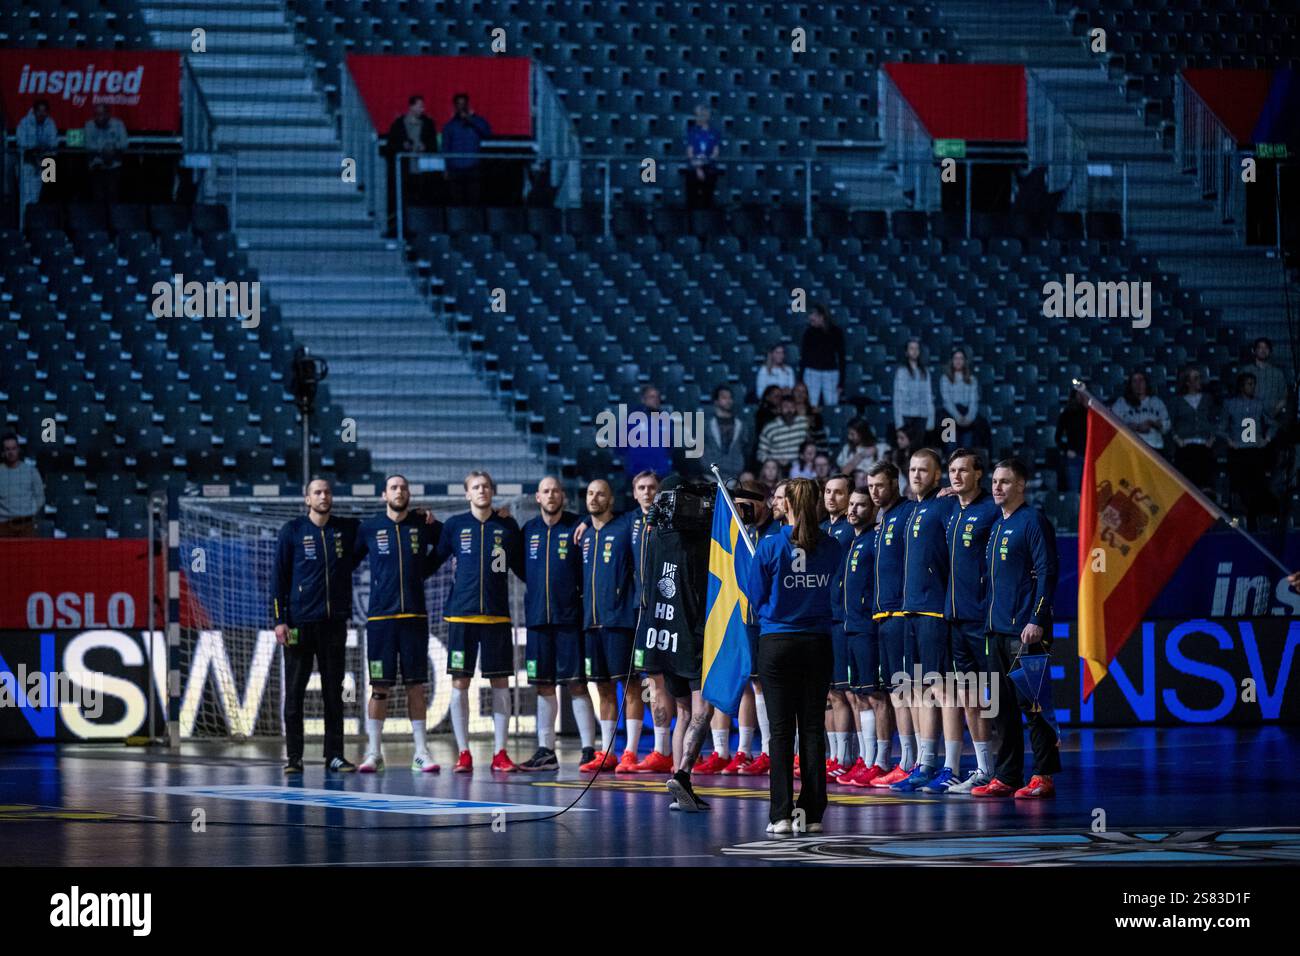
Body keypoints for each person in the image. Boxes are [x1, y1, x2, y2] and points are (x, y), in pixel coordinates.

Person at [746, 478, 844, 834]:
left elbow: (754, 597)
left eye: (777, 498)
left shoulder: (770, 545)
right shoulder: (832, 546)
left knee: (782, 731)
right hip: (817, 642)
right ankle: (814, 813)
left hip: (778, 643)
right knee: (814, 729)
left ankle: (782, 814)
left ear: (787, 504)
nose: (772, 501)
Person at [972, 458, 1061, 799]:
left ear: (1021, 485)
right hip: (995, 632)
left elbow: (1047, 572)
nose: (997, 487)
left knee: (1035, 706)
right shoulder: (996, 525)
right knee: (1001, 708)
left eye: (1005, 482)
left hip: (1025, 632)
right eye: (994, 481)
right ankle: (1007, 775)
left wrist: (1037, 619)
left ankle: (1043, 775)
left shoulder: (1033, 521)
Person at [430, 470, 526, 773]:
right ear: (467, 494)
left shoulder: (508, 525)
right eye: (476, 487)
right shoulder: (456, 526)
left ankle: (500, 753)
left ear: (493, 492)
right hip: (461, 615)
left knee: (500, 682)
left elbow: (524, 567)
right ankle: (463, 752)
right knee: (460, 683)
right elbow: (433, 560)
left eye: (486, 486)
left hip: (497, 616)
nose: (482, 490)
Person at [353, 475, 443, 773]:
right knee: (379, 688)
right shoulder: (370, 528)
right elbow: (346, 563)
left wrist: (422, 571)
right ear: (384, 495)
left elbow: (450, 541)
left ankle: (421, 752)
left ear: (409, 494)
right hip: (380, 620)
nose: (399, 491)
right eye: (394, 487)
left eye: (404, 487)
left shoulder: (422, 524)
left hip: (415, 618)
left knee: (416, 686)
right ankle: (373, 752)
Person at [270, 478, 360, 774]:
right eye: (317, 493)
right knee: (294, 693)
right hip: (299, 625)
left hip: (333, 625)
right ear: (307, 499)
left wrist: (418, 515)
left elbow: (383, 523)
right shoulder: (292, 531)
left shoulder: (345, 530)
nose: (324, 496)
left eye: (327, 492)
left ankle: (334, 755)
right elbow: (278, 580)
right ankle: (294, 757)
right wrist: (279, 619)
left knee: (333, 693)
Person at [890, 448, 965, 793]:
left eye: (924, 470)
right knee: (917, 689)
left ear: (938, 476)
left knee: (943, 689)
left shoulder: (947, 504)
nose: (916, 475)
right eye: (912, 469)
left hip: (936, 610)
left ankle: (951, 766)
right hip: (911, 610)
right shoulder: (914, 508)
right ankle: (925, 763)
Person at [642, 476, 716, 810]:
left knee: (683, 711)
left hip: (661, 633)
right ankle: (684, 772)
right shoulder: (699, 538)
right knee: (702, 709)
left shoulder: (655, 533)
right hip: (691, 634)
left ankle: (677, 782)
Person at [517, 476, 595, 771]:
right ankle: (546, 751)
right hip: (538, 621)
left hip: (569, 620)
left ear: (563, 495)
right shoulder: (528, 531)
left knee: (577, 684)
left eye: (556, 491)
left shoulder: (578, 526)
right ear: (538, 497)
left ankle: (588, 749)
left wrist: (587, 520)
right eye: (546, 491)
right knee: (543, 686)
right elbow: (519, 567)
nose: (551, 495)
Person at [940, 449, 1001, 793]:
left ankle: (1008, 770)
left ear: (979, 474)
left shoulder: (991, 512)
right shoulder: (951, 510)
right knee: (970, 697)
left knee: (1000, 698)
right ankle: (983, 769)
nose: (956, 476)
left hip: (984, 621)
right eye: (952, 471)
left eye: (963, 470)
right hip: (955, 620)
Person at [577, 479, 645, 772]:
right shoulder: (584, 533)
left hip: (620, 621)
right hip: (591, 623)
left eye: (601, 493)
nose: (594, 498)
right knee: (602, 689)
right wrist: (583, 522)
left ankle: (630, 751)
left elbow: (644, 512)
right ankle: (607, 752)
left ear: (612, 499)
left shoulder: (625, 525)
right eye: (590, 493)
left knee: (629, 686)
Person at [865, 460, 915, 787]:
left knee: (908, 689)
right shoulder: (881, 519)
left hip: (902, 614)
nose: (874, 492)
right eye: (870, 487)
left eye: (880, 486)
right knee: (895, 690)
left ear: (894, 484)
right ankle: (904, 759)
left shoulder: (909, 512)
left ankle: (912, 759)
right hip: (882, 615)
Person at [835, 489, 889, 786]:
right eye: (852, 504)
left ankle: (881, 761)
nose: (854, 509)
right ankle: (866, 760)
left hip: (869, 627)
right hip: (849, 626)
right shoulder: (853, 540)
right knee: (858, 695)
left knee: (876, 696)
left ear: (873, 509)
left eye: (861, 504)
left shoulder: (874, 540)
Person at [733, 480, 782, 777]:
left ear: (763, 502)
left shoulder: (777, 532)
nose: (740, 511)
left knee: (775, 684)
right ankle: (762, 749)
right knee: (756, 684)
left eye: (745, 505)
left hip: (774, 621)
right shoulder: (744, 531)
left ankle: (778, 750)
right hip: (748, 618)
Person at [821, 473, 856, 780]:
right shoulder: (822, 528)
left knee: (845, 692)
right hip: (822, 617)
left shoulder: (850, 530)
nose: (831, 497)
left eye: (838, 492)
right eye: (828, 491)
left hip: (843, 617)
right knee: (829, 692)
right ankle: (833, 756)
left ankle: (846, 756)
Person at [1221, 371, 1277, 530]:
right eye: (1249, 384)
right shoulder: (1230, 404)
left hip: (1255, 452)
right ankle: (1238, 522)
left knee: (1257, 487)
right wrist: (1229, 440)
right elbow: (1221, 428)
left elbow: (1272, 424)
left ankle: (1255, 521)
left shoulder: (1259, 404)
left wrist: (1266, 439)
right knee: (1241, 487)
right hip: (1238, 452)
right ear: (1241, 386)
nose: (1252, 387)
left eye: (1254, 384)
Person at [383, 94, 438, 234]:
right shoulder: (399, 124)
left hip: (422, 170)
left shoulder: (428, 124)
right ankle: (398, 227)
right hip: (403, 170)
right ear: (411, 106)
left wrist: (425, 146)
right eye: (420, 106)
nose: (422, 109)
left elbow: (434, 145)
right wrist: (403, 145)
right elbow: (391, 146)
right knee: (401, 199)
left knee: (420, 199)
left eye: (423, 106)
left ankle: (420, 228)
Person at [1168, 365, 1218, 494]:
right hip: (1186, 445)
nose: (1199, 381)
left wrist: (1212, 438)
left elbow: (1213, 419)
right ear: (1187, 382)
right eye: (1195, 378)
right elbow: (1170, 423)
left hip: (1204, 445)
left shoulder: (1207, 399)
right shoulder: (1177, 401)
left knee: (1206, 482)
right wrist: (1177, 439)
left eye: (1199, 378)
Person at [443, 92, 492, 205]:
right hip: (455, 168)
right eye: (459, 104)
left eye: (463, 104)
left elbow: (487, 133)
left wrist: (471, 120)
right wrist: (446, 168)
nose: (461, 107)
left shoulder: (478, 122)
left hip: (473, 167)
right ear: (455, 106)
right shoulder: (450, 126)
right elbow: (446, 147)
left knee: (474, 199)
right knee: (456, 200)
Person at [16, 99, 57, 227]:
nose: (42, 114)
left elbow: (53, 145)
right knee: (28, 199)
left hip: (47, 163)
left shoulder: (50, 123)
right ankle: (25, 229)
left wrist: (43, 155)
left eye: (44, 111)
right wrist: (36, 154)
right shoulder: (24, 123)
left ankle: (45, 228)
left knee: (47, 196)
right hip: (27, 163)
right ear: (34, 111)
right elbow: (22, 145)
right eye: (39, 111)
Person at [939, 348, 987, 453]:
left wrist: (969, 418)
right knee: (951, 446)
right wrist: (958, 417)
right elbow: (947, 402)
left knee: (966, 449)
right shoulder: (945, 378)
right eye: (956, 358)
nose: (958, 361)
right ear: (952, 360)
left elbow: (973, 401)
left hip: (967, 414)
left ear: (965, 361)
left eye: (961, 358)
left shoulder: (972, 379)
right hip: (950, 415)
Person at [799, 302, 845, 408]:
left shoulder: (836, 332)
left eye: (813, 316)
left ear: (821, 316)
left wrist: (841, 382)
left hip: (831, 373)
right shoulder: (809, 332)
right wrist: (800, 379)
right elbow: (804, 357)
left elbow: (841, 357)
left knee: (832, 404)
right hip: (812, 372)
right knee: (811, 405)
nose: (810, 319)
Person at [893, 337, 935, 450]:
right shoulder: (901, 372)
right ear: (906, 352)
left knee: (919, 448)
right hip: (906, 416)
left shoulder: (925, 372)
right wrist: (899, 422)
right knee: (906, 449)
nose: (914, 351)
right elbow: (897, 397)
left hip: (922, 416)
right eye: (911, 348)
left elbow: (928, 395)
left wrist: (931, 417)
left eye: (916, 348)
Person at [0, 433, 45, 537]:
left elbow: (40, 497)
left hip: (27, 525)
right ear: (3, 452)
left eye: (13, 448)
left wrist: (29, 511)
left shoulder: (31, 471)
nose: (11, 452)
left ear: (18, 450)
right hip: (3, 526)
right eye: (7, 449)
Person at [624, 384, 673, 480]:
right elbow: (622, 446)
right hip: (637, 474)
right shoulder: (632, 420)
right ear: (643, 399)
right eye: (651, 397)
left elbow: (670, 446)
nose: (656, 400)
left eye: (658, 397)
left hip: (661, 473)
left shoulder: (666, 421)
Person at [1112, 370, 1170, 451]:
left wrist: (1153, 424)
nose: (1138, 384)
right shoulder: (1121, 402)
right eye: (1134, 381)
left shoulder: (1156, 401)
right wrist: (1133, 427)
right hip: (1131, 447)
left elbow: (1166, 426)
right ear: (1130, 385)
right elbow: (1112, 424)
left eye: (1141, 380)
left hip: (1154, 447)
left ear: (1146, 383)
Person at [84, 104, 128, 206]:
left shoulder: (118, 124)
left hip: (114, 167)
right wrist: (104, 149)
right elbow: (88, 145)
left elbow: (124, 144)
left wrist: (113, 148)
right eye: (96, 114)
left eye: (102, 114)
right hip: (96, 167)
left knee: (113, 197)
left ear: (108, 114)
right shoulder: (89, 125)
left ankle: (113, 220)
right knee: (98, 198)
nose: (99, 117)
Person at [701, 384, 747, 479]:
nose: (728, 400)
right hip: (710, 477)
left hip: (734, 476)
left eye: (730, 398)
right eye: (724, 397)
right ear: (716, 401)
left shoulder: (740, 425)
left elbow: (745, 447)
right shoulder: (706, 424)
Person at [756, 393, 809, 470]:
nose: (789, 410)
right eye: (785, 407)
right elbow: (760, 454)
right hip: (776, 469)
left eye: (792, 407)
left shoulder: (803, 423)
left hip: (799, 468)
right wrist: (775, 461)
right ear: (779, 409)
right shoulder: (770, 428)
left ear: (795, 408)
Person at [684, 103, 721, 209]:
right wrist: (698, 168)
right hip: (694, 168)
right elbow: (690, 152)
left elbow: (715, 153)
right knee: (692, 199)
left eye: (701, 115)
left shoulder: (714, 133)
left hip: (708, 168)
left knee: (708, 199)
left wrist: (705, 163)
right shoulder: (692, 131)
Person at [1245, 337, 1289, 425]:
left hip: (1273, 419)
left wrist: (1272, 414)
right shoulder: (1246, 371)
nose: (1263, 350)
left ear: (1270, 351)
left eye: (1266, 348)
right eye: (1260, 347)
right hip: (1250, 420)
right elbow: (1240, 397)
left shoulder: (1278, 373)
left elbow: (1283, 398)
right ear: (1254, 351)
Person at [1054, 388, 1088, 493]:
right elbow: (1057, 437)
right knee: (1074, 492)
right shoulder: (1067, 414)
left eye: (1083, 393)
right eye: (1078, 393)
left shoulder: (1091, 414)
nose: (1081, 396)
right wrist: (1066, 450)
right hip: (1074, 458)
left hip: (1089, 457)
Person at [791, 380, 828, 452]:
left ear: (806, 395)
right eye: (797, 391)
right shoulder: (788, 413)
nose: (800, 394)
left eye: (803, 392)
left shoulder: (814, 414)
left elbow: (820, 437)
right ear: (792, 393)